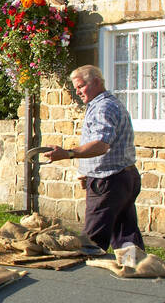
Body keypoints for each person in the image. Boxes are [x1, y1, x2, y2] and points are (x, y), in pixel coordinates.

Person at [44, 64, 143, 252]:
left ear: (96, 82)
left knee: (92, 242)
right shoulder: (109, 103)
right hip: (124, 178)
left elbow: (101, 144)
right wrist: (86, 173)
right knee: (125, 235)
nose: (78, 92)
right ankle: (135, 271)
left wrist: (68, 153)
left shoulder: (102, 108)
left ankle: (85, 280)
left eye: (81, 86)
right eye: (76, 88)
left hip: (109, 182)